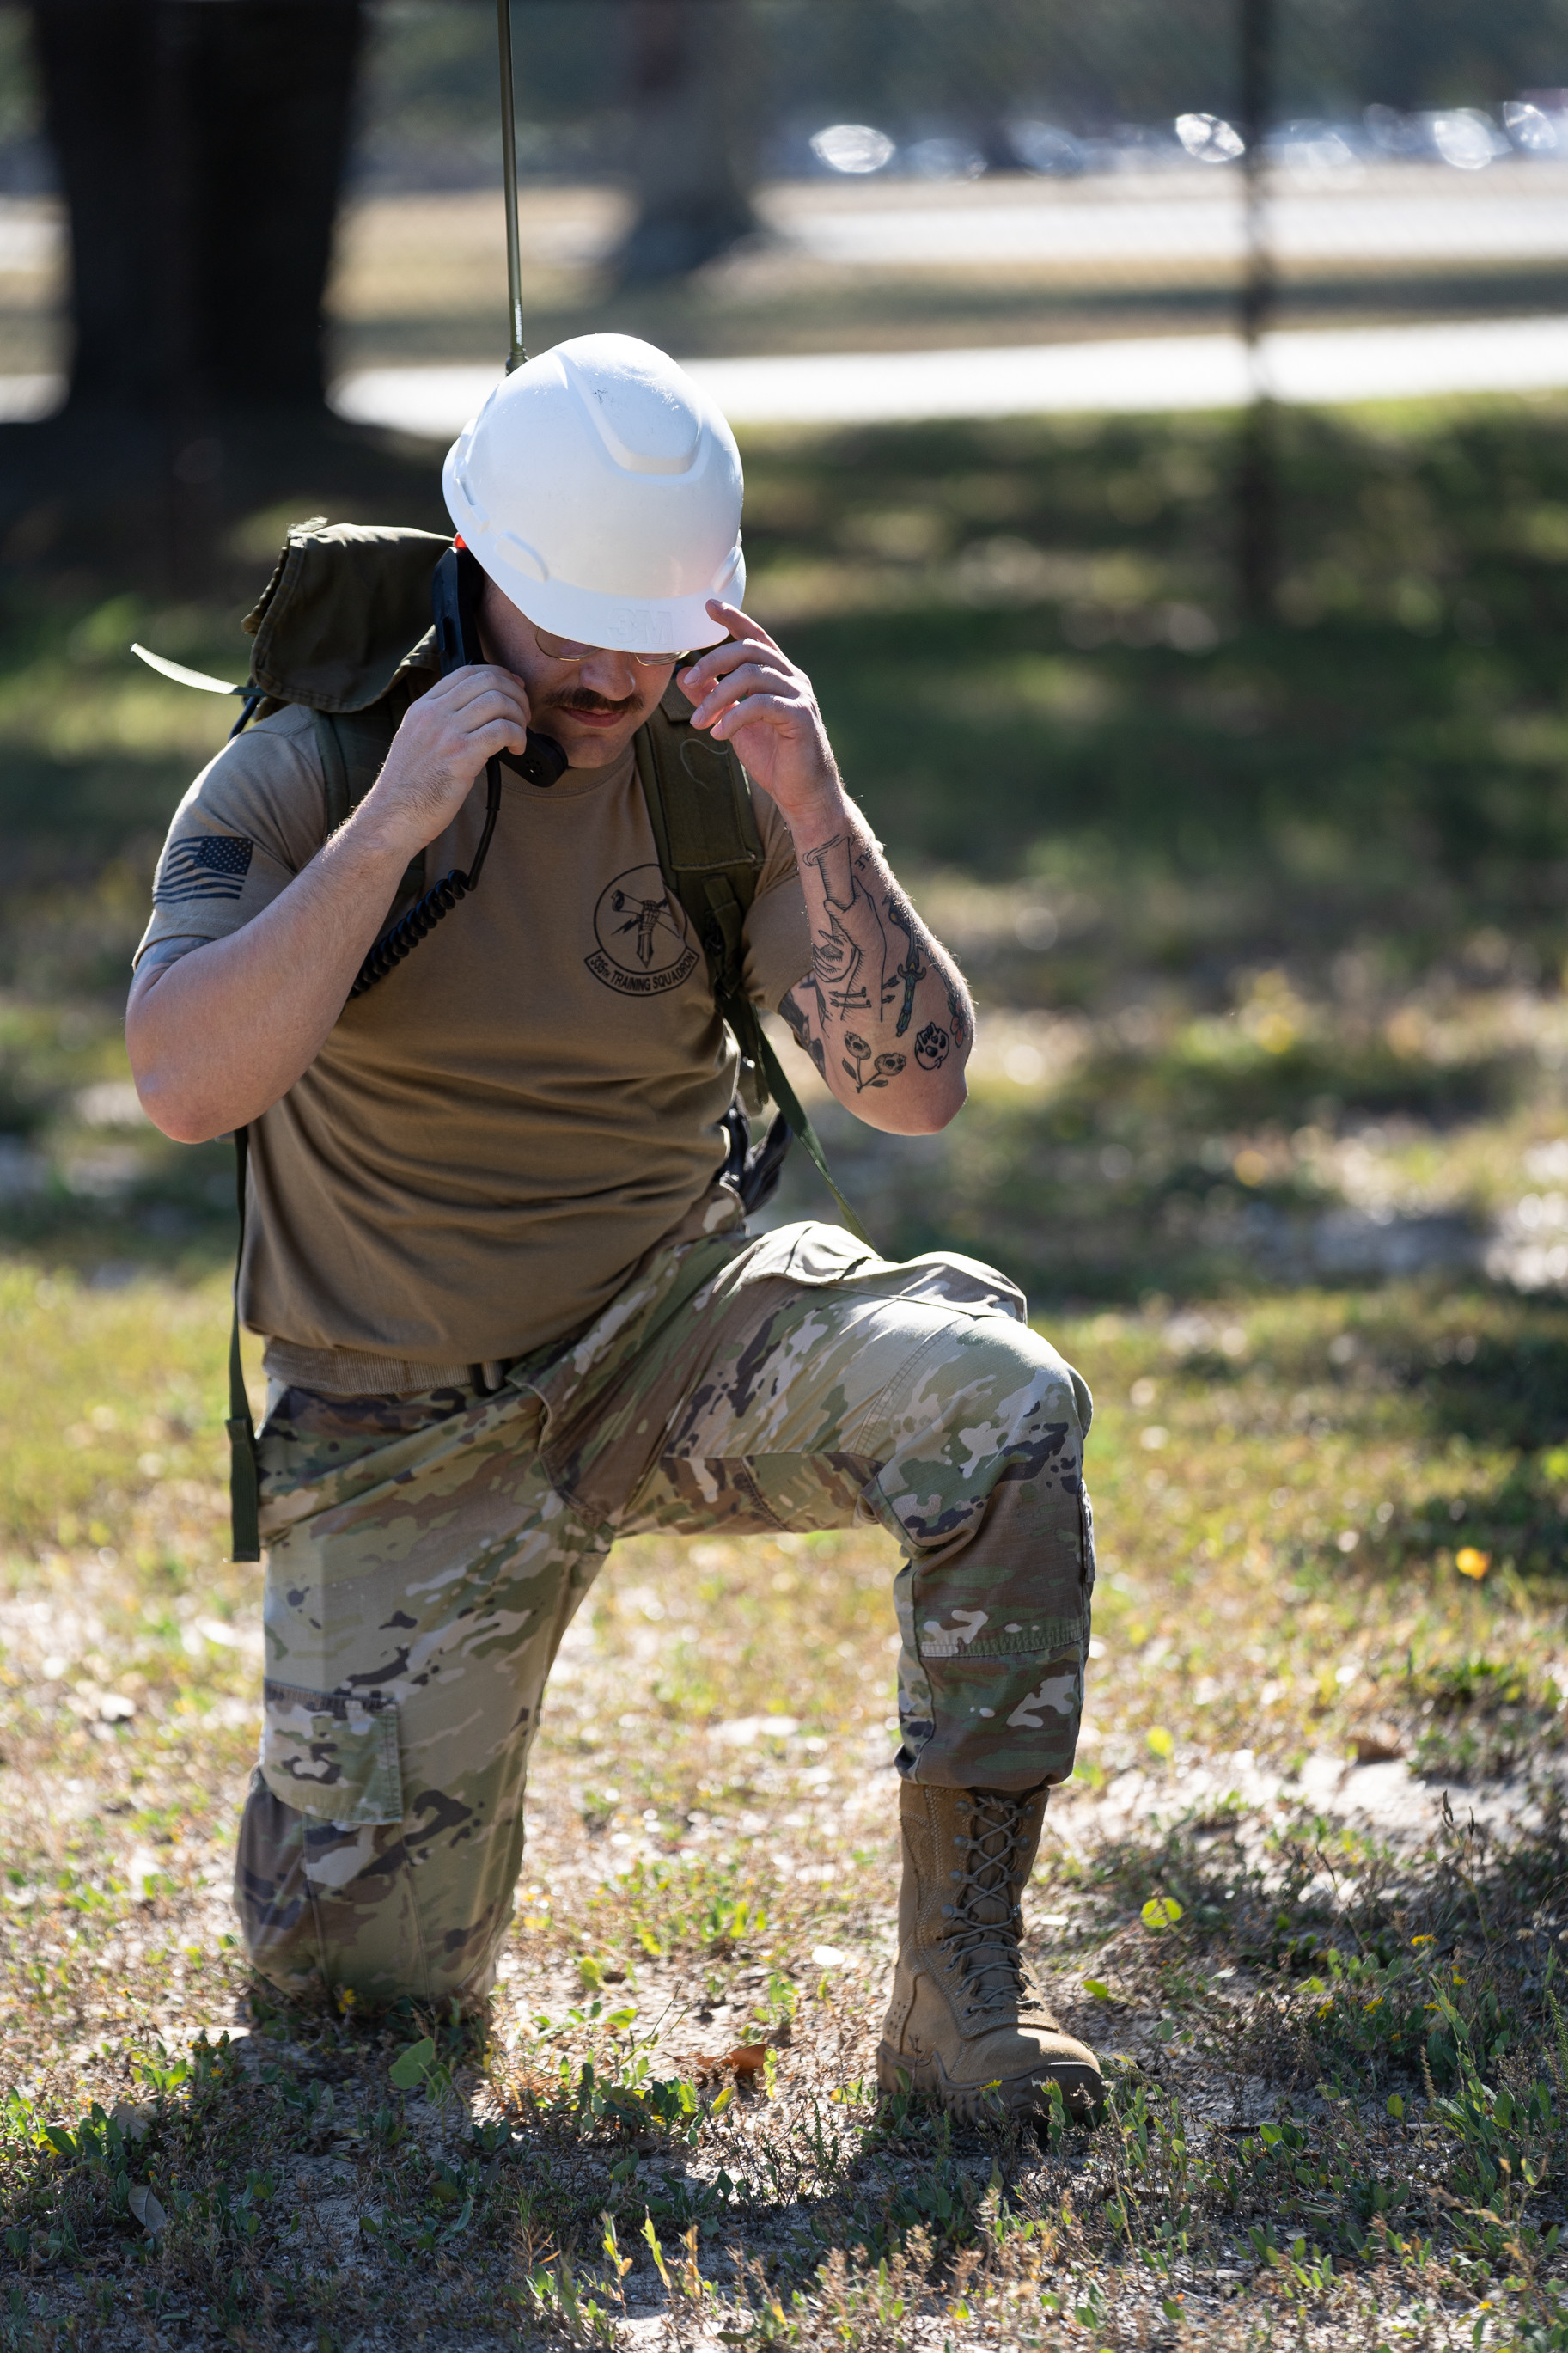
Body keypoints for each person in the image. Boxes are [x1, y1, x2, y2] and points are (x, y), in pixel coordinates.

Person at [125, 334, 1101, 2119]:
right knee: (360, 1995)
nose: (605, 673)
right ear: (472, 571)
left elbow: (914, 1091)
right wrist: (399, 816)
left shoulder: (715, 768)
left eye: (650, 633)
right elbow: (186, 1083)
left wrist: (815, 800)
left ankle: (957, 1989)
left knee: (996, 1394)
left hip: (681, 1330)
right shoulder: (305, 768)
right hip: (401, 1404)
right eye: (569, 622)